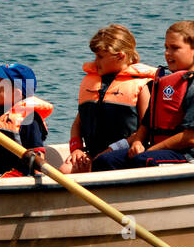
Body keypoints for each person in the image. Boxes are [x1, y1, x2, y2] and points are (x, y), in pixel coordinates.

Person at [93, 20, 194, 170]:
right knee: (105, 161)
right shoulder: (163, 83)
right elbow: (146, 124)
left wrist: (151, 150)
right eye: (166, 47)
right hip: (158, 149)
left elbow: (189, 137)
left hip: (189, 155)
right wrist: (137, 143)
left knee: (143, 161)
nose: (168, 53)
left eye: (175, 48)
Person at [59, 25, 157, 173]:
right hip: (94, 154)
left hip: (125, 153)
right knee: (65, 169)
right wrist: (77, 150)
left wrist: (113, 149)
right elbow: (77, 124)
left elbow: (146, 130)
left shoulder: (141, 86)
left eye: (100, 57)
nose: (95, 61)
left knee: (101, 163)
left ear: (120, 56)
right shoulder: (94, 84)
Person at [0, 63, 54, 178]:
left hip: (16, 177)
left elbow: (38, 156)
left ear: (17, 94)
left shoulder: (29, 119)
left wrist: (39, 186)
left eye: (0, 87)